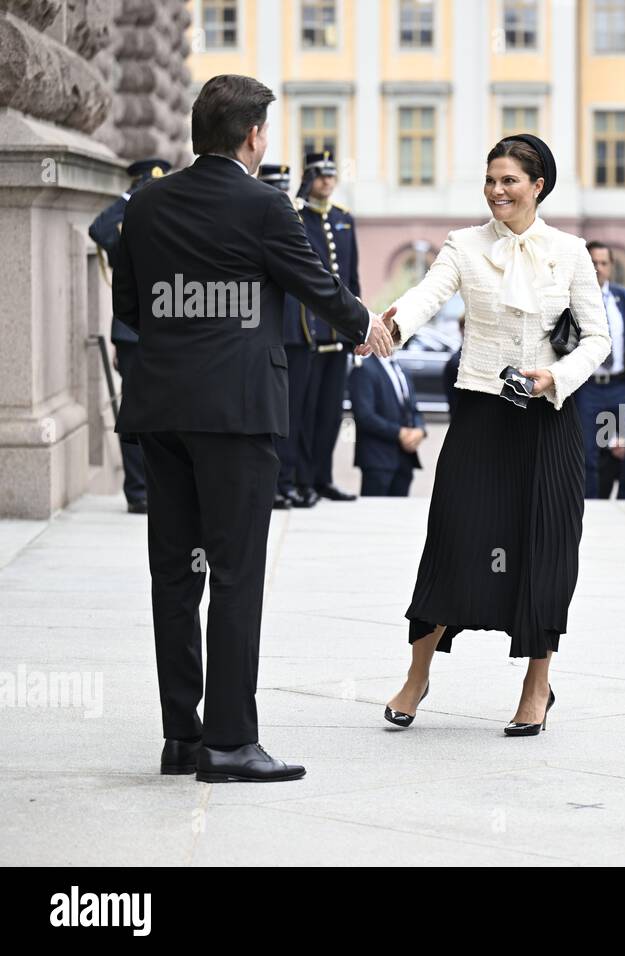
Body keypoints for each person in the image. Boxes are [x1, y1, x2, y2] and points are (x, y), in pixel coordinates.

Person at [113, 74, 393, 783]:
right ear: (253, 136)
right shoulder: (266, 205)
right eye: (265, 131)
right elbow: (313, 285)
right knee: (236, 575)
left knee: (174, 575)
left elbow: (133, 309)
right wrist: (365, 326)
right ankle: (230, 743)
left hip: (164, 412)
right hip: (236, 415)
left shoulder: (145, 205)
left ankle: (182, 737)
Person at [379, 135, 611, 736]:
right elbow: (426, 298)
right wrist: (390, 325)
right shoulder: (463, 245)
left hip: (549, 419)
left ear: (538, 186)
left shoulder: (572, 251)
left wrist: (553, 377)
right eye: (491, 180)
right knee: (453, 539)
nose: (497, 190)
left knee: (546, 549)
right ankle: (417, 674)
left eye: (510, 180)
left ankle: (537, 687)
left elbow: (597, 339)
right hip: (482, 415)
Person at [89, 157, 171, 515]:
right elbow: (98, 229)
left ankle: (158, 487)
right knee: (136, 413)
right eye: (145, 186)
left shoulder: (163, 218)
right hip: (132, 333)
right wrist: (128, 198)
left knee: (164, 415)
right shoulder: (124, 219)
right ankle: (137, 491)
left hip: (166, 328)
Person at [296, 150, 360, 505]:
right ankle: (303, 480)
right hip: (310, 332)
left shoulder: (344, 219)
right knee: (305, 413)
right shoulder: (297, 217)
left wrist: (358, 329)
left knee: (331, 415)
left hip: (338, 334)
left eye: (331, 176)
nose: (326, 182)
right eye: (320, 175)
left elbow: (351, 281)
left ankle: (323, 477)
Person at [257, 163, 316, 510]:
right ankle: (273, 483)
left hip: (298, 332)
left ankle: (288, 480)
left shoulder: (294, 218)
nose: (281, 195)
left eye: (285, 189)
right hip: (267, 332)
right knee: (271, 417)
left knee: (295, 416)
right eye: (274, 188)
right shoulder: (255, 218)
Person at [575, 241, 625, 500]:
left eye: (603, 263)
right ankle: (590, 504)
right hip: (588, 387)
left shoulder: (624, 297)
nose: (598, 268)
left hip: (621, 385)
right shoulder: (572, 297)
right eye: (593, 263)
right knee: (587, 451)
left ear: (611, 266)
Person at [349, 353, 425, 496]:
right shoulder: (364, 368)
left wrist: (420, 430)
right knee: (374, 514)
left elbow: (413, 409)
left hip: (405, 460)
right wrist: (399, 433)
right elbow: (365, 416)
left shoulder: (402, 369)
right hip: (377, 460)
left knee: (399, 515)